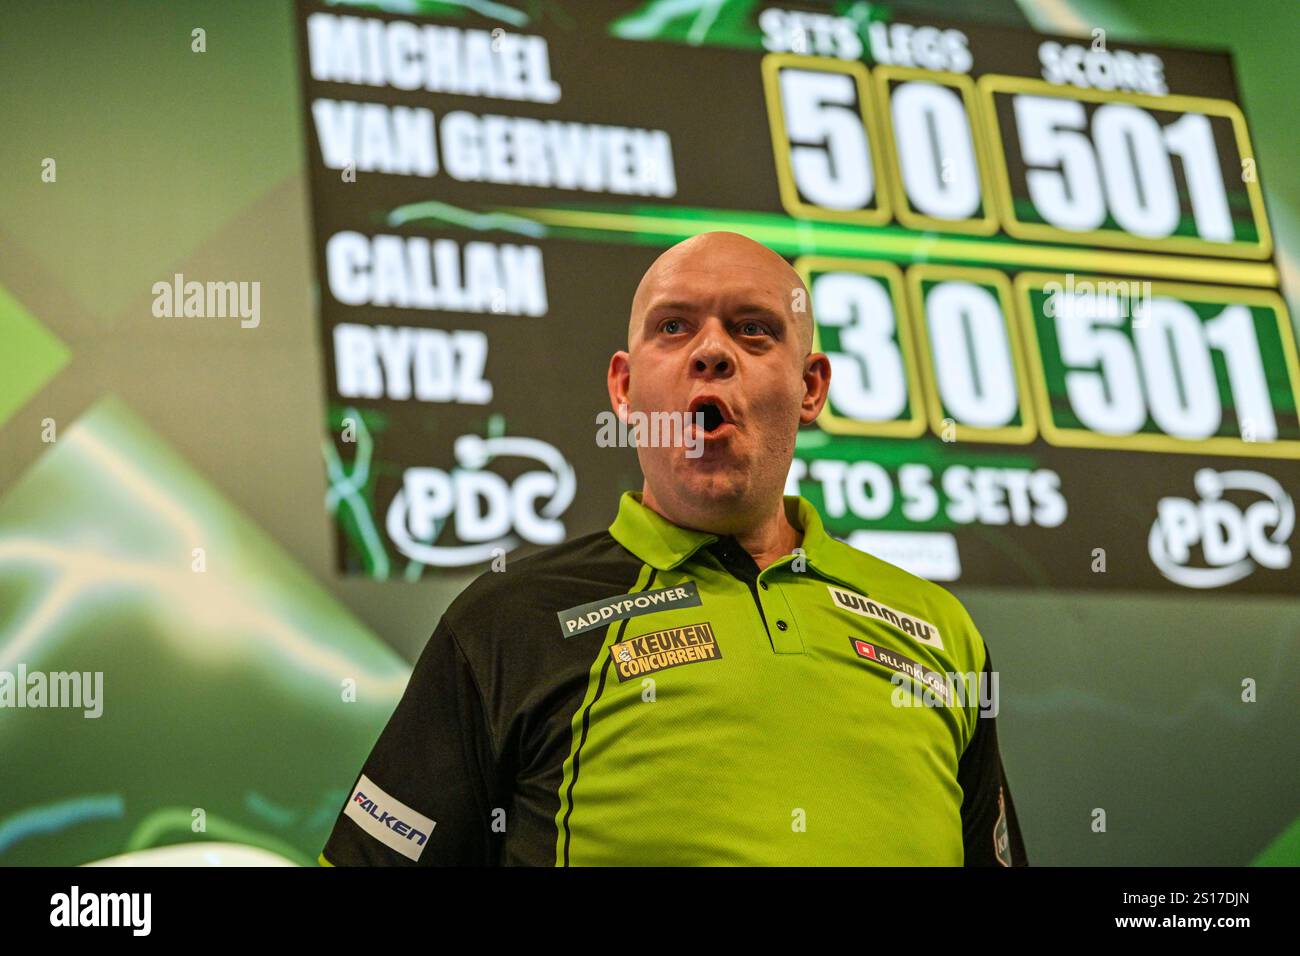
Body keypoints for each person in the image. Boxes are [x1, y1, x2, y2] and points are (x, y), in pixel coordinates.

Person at [319, 231, 1028, 866]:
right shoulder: (509, 622)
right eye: (674, 327)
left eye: (753, 331)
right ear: (625, 389)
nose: (712, 351)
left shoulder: (940, 629)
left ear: (810, 388)